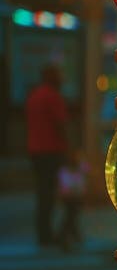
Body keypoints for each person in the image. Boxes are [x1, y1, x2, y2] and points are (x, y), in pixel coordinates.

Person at [25, 65, 69, 248]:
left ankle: (43, 233)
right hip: (51, 151)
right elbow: (61, 126)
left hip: (35, 151)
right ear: (52, 78)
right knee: (50, 195)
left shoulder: (34, 96)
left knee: (42, 194)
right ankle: (48, 235)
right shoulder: (53, 97)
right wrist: (69, 149)